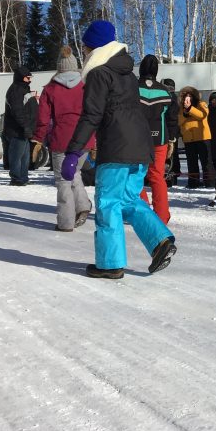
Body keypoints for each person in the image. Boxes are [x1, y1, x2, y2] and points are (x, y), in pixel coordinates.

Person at [60, 20, 176, 279]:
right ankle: (160, 240)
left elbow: (91, 115)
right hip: (141, 146)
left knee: (109, 203)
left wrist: (73, 151)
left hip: (117, 148)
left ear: (93, 47)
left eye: (85, 46)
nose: (83, 51)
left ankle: (110, 263)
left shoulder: (99, 73)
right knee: (129, 199)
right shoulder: (128, 74)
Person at [34, 46, 94, 231]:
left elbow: (43, 119)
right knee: (74, 172)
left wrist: (38, 139)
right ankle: (83, 205)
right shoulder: (85, 86)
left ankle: (66, 222)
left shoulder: (50, 89)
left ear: (59, 66)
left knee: (63, 181)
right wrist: (95, 139)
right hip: (84, 138)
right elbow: (94, 112)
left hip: (61, 140)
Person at [137, 54, 174, 224]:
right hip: (160, 139)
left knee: (136, 176)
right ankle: (162, 215)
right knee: (157, 177)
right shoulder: (165, 91)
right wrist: (172, 140)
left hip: (137, 139)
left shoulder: (133, 88)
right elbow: (172, 118)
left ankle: (142, 209)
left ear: (141, 69)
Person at [178, 86, 216, 189]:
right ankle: (193, 183)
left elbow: (202, 115)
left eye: (190, 96)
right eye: (186, 96)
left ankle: (210, 182)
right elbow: (179, 121)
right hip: (189, 139)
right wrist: (185, 112)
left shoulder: (201, 104)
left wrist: (190, 109)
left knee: (206, 162)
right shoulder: (181, 108)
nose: (188, 98)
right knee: (191, 163)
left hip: (202, 138)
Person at [4, 66, 36, 186]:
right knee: (16, 156)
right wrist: (25, 126)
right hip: (17, 130)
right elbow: (17, 111)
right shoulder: (16, 90)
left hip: (24, 130)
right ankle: (16, 178)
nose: (30, 80)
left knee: (25, 156)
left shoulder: (23, 89)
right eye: (28, 78)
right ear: (21, 78)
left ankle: (23, 177)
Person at [162, 78, 181, 187]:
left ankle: (170, 178)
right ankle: (171, 177)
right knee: (171, 155)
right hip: (170, 130)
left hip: (170, 131)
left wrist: (171, 135)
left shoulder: (172, 98)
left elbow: (172, 117)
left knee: (170, 155)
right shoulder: (172, 97)